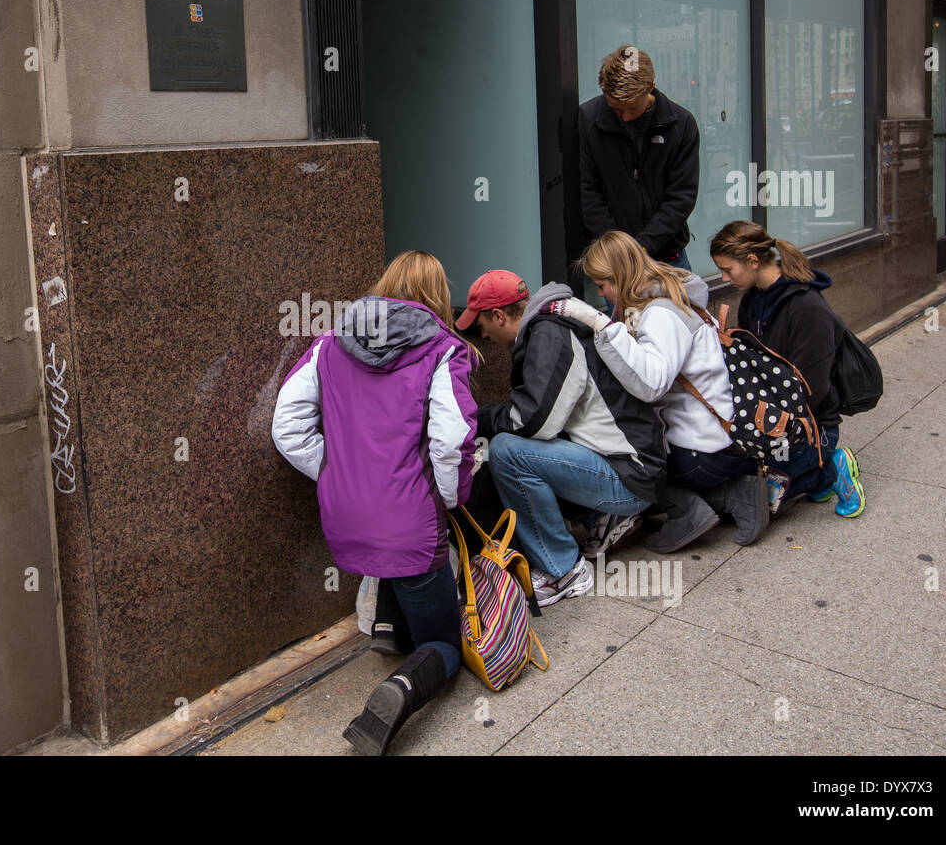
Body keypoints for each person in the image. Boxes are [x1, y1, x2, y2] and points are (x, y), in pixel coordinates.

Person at [271, 250, 477, 756]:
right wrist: (446, 497)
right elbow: (452, 442)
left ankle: (388, 625)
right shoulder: (443, 349)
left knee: (394, 560)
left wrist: (336, 472)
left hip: (345, 518)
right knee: (445, 646)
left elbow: (286, 427)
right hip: (409, 522)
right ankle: (399, 689)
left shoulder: (328, 344)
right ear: (435, 295)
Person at [457, 270, 666, 605]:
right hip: (628, 464)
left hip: (631, 475)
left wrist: (477, 419)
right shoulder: (549, 327)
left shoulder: (549, 334)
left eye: (481, 323)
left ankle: (563, 570)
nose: (481, 332)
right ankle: (601, 519)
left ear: (498, 315)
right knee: (519, 449)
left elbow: (535, 423)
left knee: (508, 451)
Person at [557, 231, 769, 552]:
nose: (602, 295)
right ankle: (737, 491)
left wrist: (599, 324)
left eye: (602, 286)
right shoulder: (673, 296)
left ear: (619, 277)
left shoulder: (660, 312)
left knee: (634, 470)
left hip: (704, 450)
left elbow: (651, 384)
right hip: (724, 437)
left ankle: (696, 508)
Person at [708, 220, 865, 517]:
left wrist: (765, 435)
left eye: (728, 269)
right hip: (771, 417)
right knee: (739, 482)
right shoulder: (752, 299)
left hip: (810, 426)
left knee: (754, 498)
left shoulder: (808, 308)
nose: (724, 278)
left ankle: (831, 468)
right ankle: (812, 480)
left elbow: (812, 390)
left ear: (753, 261)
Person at [579, 45, 700, 272]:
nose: (624, 117)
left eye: (631, 109)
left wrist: (642, 247)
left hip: (668, 256)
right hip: (616, 262)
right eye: (616, 109)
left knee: (678, 309)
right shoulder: (589, 120)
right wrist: (619, 251)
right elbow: (589, 194)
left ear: (651, 88)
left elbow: (681, 197)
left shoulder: (681, 124)